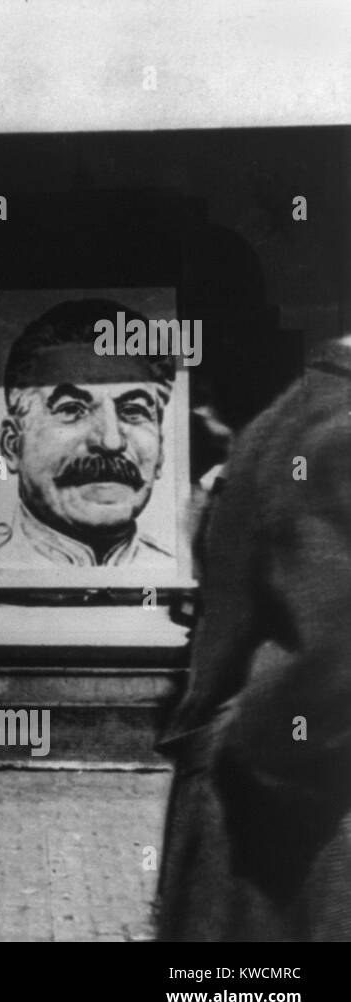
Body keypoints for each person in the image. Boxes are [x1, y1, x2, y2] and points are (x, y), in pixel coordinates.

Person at [156, 335, 351, 941]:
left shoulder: (306, 410)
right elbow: (322, 651)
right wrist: (275, 761)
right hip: (304, 831)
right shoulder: (335, 428)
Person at [0, 299, 176, 568]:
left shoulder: (178, 572)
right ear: (12, 446)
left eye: (133, 410)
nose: (111, 441)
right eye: (72, 409)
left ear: (161, 451)